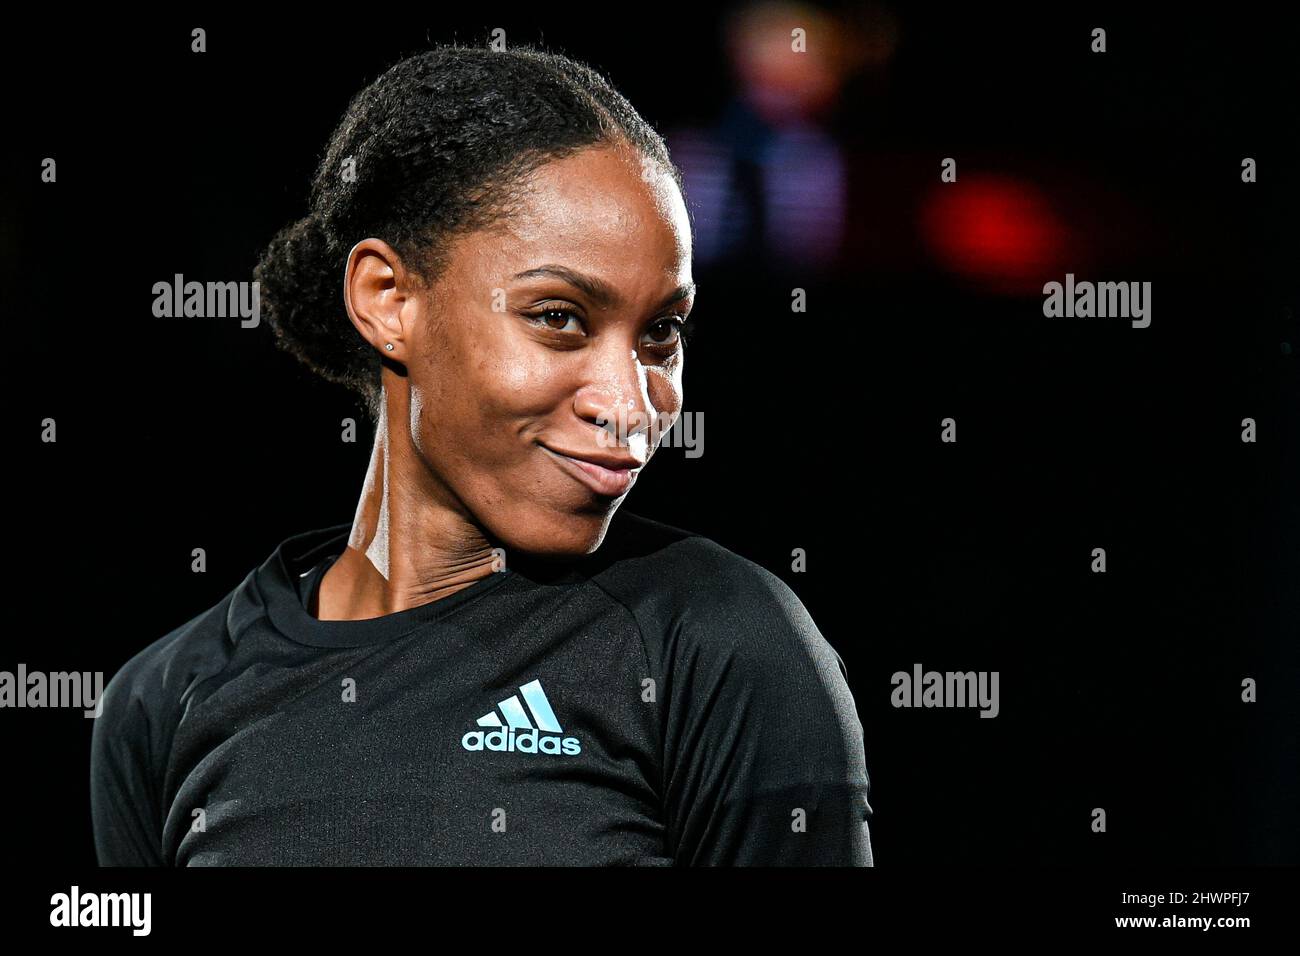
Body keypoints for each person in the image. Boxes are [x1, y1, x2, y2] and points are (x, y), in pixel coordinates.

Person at [89, 44, 873, 866]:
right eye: (559, 317)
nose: (630, 404)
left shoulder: (723, 648)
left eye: (661, 332)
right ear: (388, 300)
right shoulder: (160, 702)